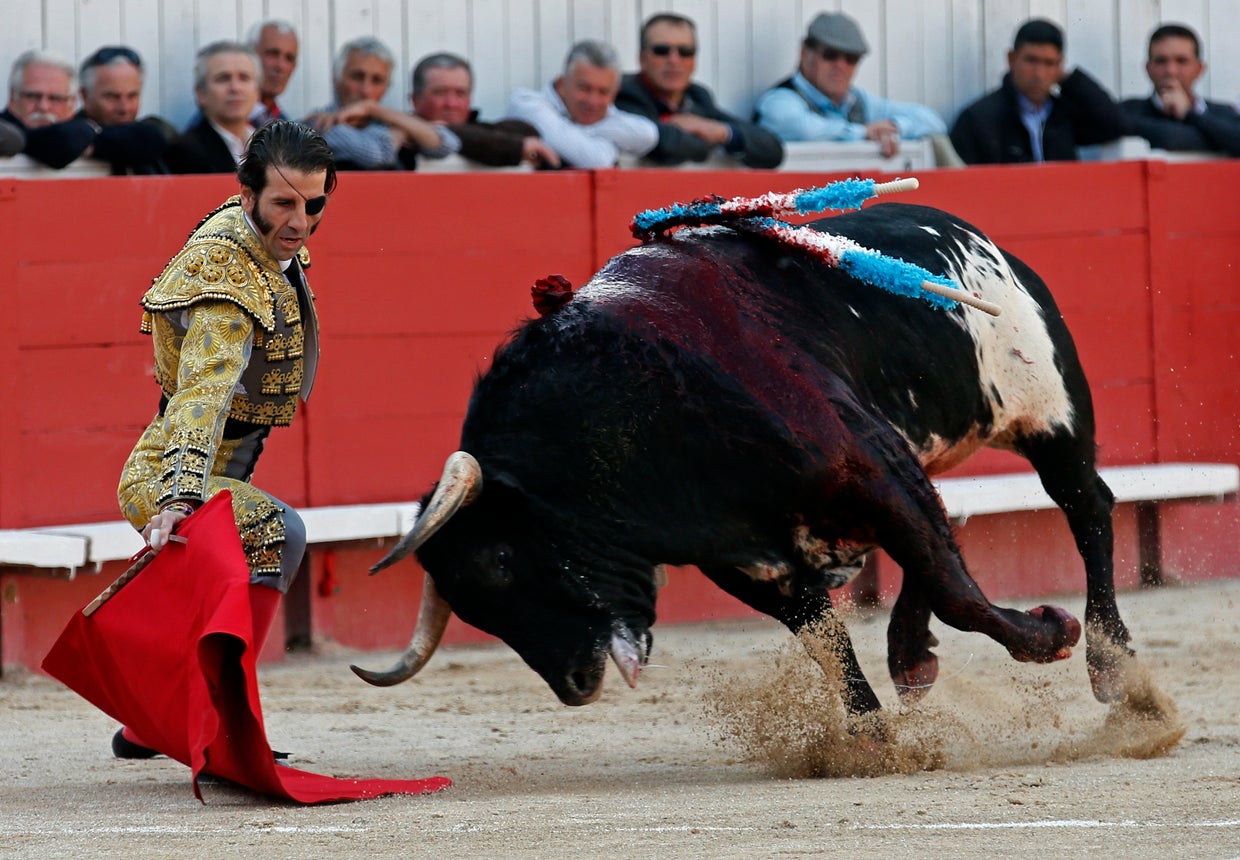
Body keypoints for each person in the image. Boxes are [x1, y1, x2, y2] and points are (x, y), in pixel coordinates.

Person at [113, 119, 336, 760]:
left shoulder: (257, 238)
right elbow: (202, 394)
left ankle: (145, 726)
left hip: (222, 455)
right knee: (276, 532)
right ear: (246, 197)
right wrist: (181, 497)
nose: (300, 221)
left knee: (230, 569)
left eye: (313, 205)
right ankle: (225, 727)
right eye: (284, 204)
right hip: (171, 472)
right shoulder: (228, 282)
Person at [753, 11, 945, 158]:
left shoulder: (858, 100)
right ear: (805, 54)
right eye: (830, 55)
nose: (841, 66)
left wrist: (894, 127)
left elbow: (932, 121)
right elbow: (801, 128)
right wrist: (863, 133)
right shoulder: (779, 100)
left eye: (851, 58)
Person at [616, 13, 783, 169]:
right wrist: (705, 138)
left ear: (694, 59)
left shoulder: (698, 97)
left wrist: (722, 132)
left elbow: (772, 150)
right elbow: (666, 148)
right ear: (642, 58)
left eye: (685, 52)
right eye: (662, 50)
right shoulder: (623, 92)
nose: (674, 60)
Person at [950, 18, 1127, 164]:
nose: (1039, 74)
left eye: (1049, 63)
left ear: (1060, 66)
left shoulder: (1064, 114)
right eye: (1031, 60)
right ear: (1012, 59)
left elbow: (1116, 125)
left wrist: (1070, 80)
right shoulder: (978, 118)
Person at [506, 39, 658, 168]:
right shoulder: (526, 104)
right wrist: (610, 139)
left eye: (603, 92)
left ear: (614, 94)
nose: (593, 101)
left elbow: (647, 134)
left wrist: (572, 133)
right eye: (584, 88)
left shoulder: (604, 113)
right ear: (561, 85)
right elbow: (598, 160)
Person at [304, 37, 449, 170]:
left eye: (377, 80)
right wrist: (402, 132)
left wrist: (372, 109)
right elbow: (376, 155)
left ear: (386, 87)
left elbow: (447, 143)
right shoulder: (320, 124)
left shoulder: (383, 121)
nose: (366, 90)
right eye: (357, 77)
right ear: (336, 79)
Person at [404, 51, 559, 168]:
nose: (451, 103)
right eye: (440, 93)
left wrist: (438, 130)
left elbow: (526, 131)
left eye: (460, 93)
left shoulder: (485, 132)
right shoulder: (399, 140)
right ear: (415, 100)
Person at [1120, 23, 1240, 157]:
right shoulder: (1128, 111)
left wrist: (1189, 113)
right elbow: (1169, 138)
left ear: (1199, 68)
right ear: (1148, 68)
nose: (1171, 71)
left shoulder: (1225, 114)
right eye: (1161, 61)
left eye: (1181, 61)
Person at [167, 41, 261, 173]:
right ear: (201, 93)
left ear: (257, 90)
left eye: (244, 78)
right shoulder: (186, 152)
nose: (235, 88)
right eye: (223, 78)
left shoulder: (271, 145)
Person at [247, 19, 299, 125]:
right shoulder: (220, 118)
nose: (281, 66)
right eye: (272, 54)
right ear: (249, 56)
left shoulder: (286, 126)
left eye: (289, 58)